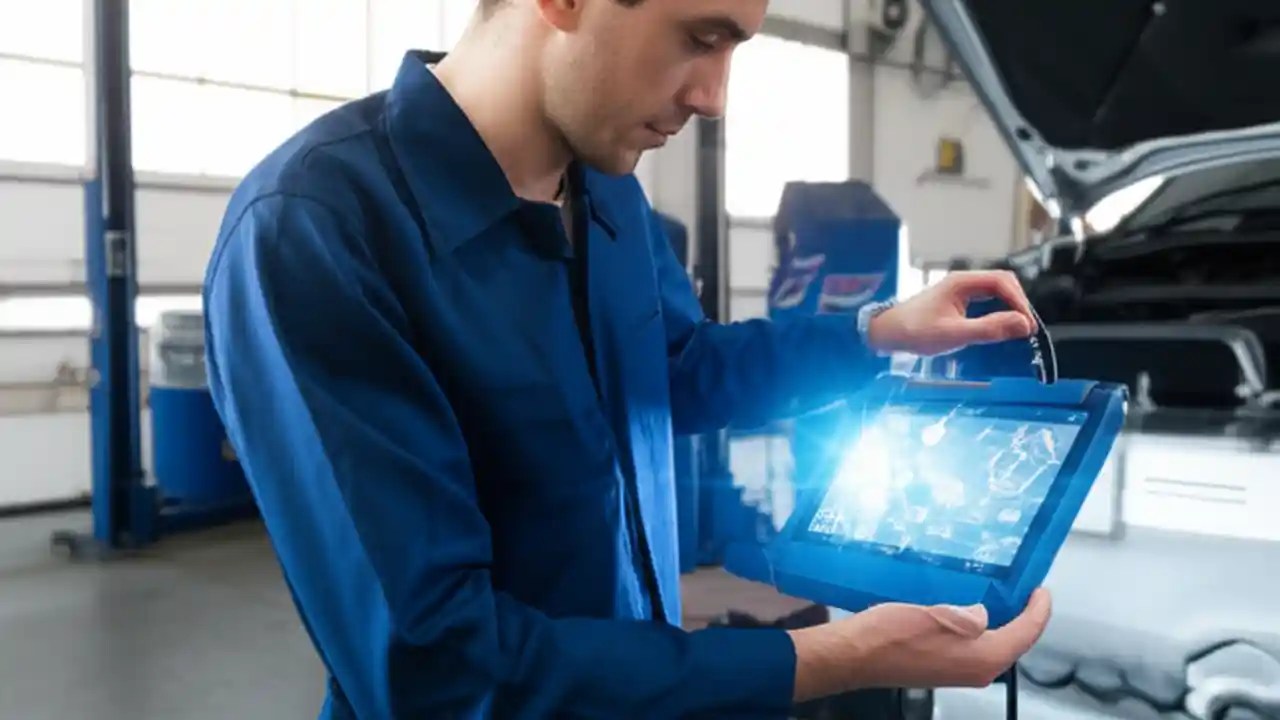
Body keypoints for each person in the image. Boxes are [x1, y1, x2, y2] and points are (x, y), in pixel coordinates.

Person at [202, 0, 1053, 717]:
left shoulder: (608, 191)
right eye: (700, 36)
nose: (716, 98)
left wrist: (874, 334)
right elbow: (437, 667)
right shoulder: (316, 230)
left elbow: (675, 372)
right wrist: (837, 658)